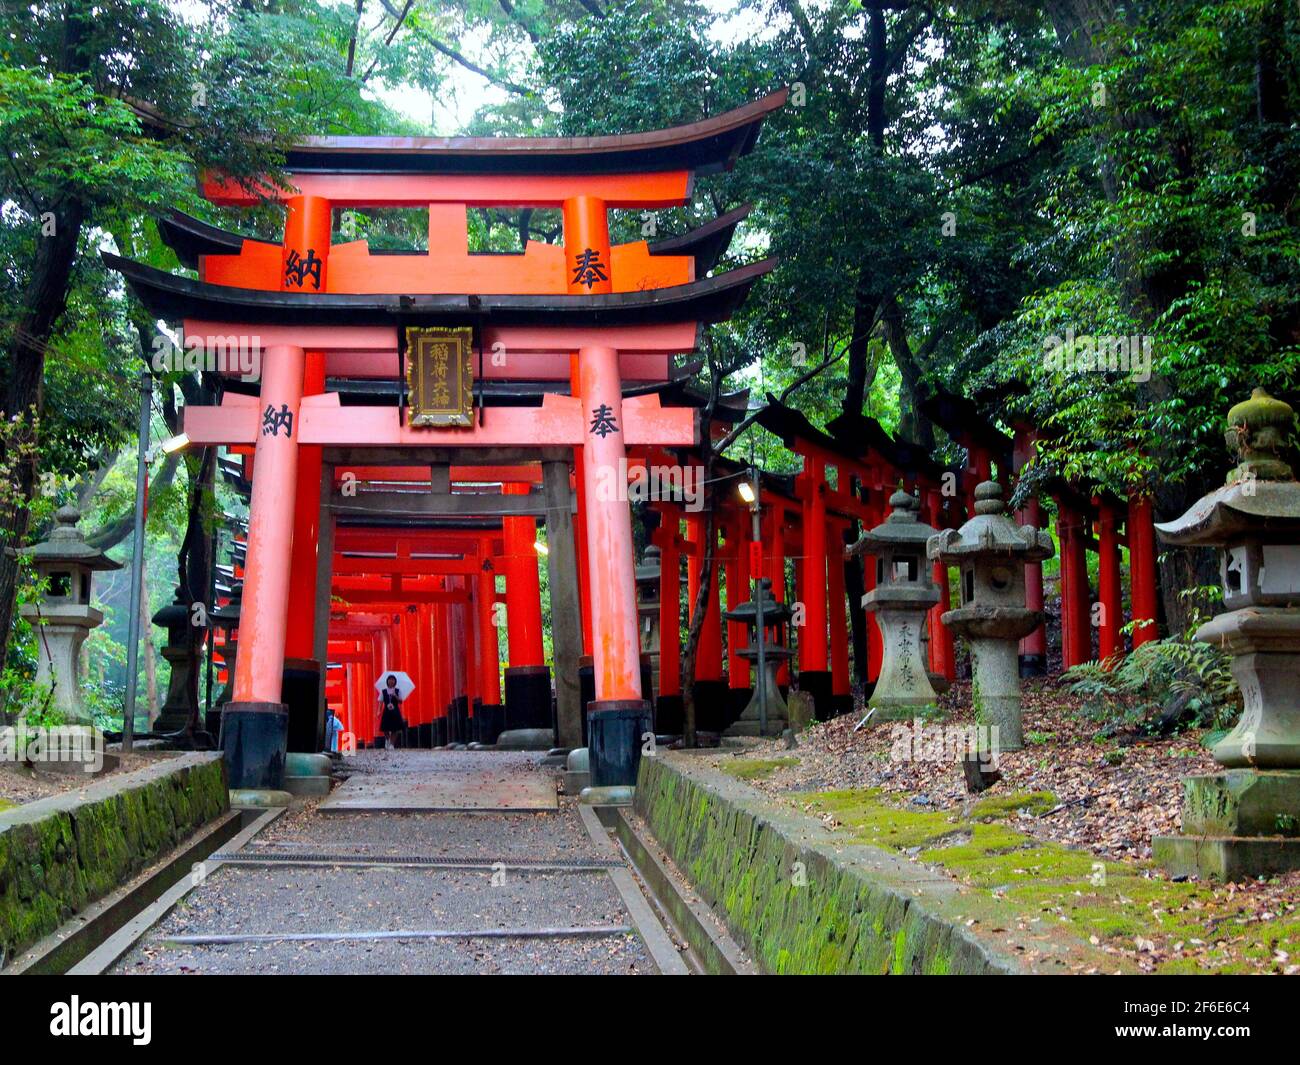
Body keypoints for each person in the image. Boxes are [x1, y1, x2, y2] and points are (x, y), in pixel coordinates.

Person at [377, 674, 405, 750]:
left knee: (394, 728)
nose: (391, 681)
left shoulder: (397, 690)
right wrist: (379, 711)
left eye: (393, 680)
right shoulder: (383, 691)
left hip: (395, 711)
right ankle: (387, 739)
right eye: (390, 680)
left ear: (395, 681)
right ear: (387, 681)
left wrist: (395, 695)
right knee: (385, 728)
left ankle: (392, 744)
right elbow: (380, 702)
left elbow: (400, 701)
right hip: (386, 711)